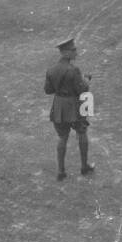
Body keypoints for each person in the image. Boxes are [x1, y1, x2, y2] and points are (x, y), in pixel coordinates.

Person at [45, 37, 93, 180]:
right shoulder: (74, 70)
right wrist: (86, 80)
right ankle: (84, 167)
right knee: (82, 132)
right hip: (75, 105)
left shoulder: (51, 70)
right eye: (73, 50)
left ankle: (61, 171)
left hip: (59, 106)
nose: (76, 52)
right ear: (65, 53)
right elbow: (82, 90)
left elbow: (48, 90)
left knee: (62, 137)